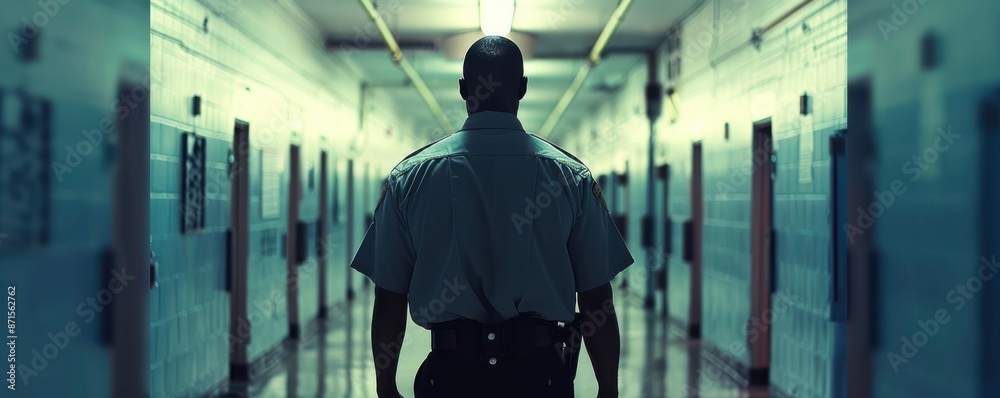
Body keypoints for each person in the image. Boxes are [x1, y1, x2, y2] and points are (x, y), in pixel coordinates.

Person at [350, 35, 634, 398]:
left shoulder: (409, 178)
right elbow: (596, 297)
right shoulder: (570, 177)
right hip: (540, 378)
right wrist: (608, 389)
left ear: (463, 89)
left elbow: (390, 295)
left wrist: (386, 388)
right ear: (523, 88)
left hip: (449, 378)